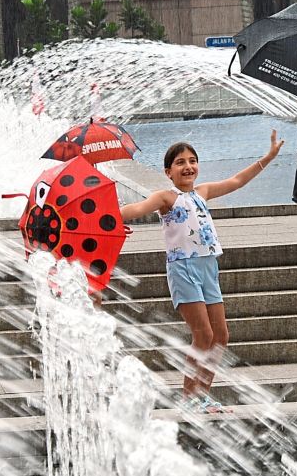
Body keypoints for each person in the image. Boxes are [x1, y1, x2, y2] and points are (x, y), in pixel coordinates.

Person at [121, 130, 284, 411]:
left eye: (193, 160)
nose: (188, 167)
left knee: (221, 336)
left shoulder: (202, 192)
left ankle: (203, 394)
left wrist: (267, 158)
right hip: (184, 268)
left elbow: (236, 181)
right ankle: (189, 396)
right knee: (203, 335)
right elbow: (137, 207)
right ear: (168, 172)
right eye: (180, 162)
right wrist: (104, 214)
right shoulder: (166, 198)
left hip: (209, 267)